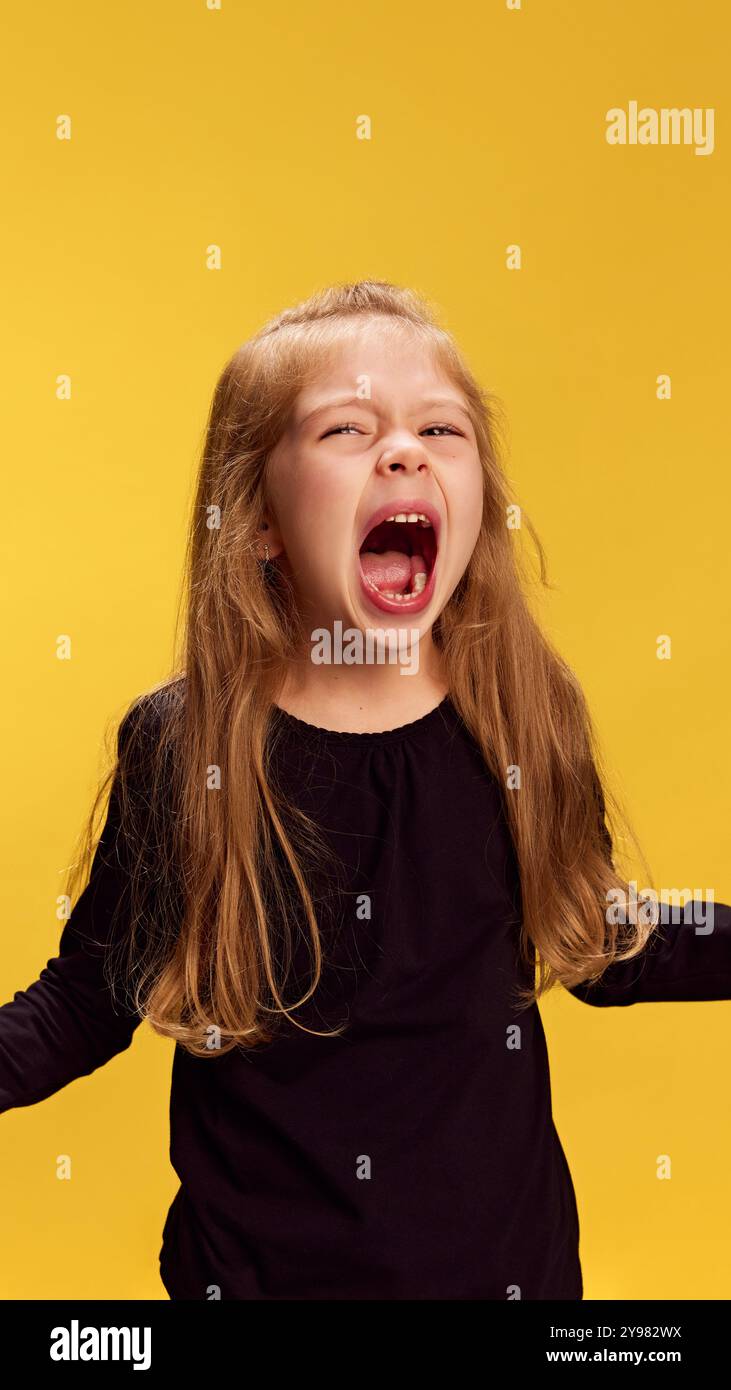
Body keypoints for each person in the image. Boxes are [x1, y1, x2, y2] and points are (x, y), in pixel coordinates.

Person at [2, 280, 729, 1300]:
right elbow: (88, 999)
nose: (404, 450)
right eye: (346, 428)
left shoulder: (524, 714)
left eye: (441, 426)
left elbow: (599, 941)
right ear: (255, 519)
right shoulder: (186, 749)